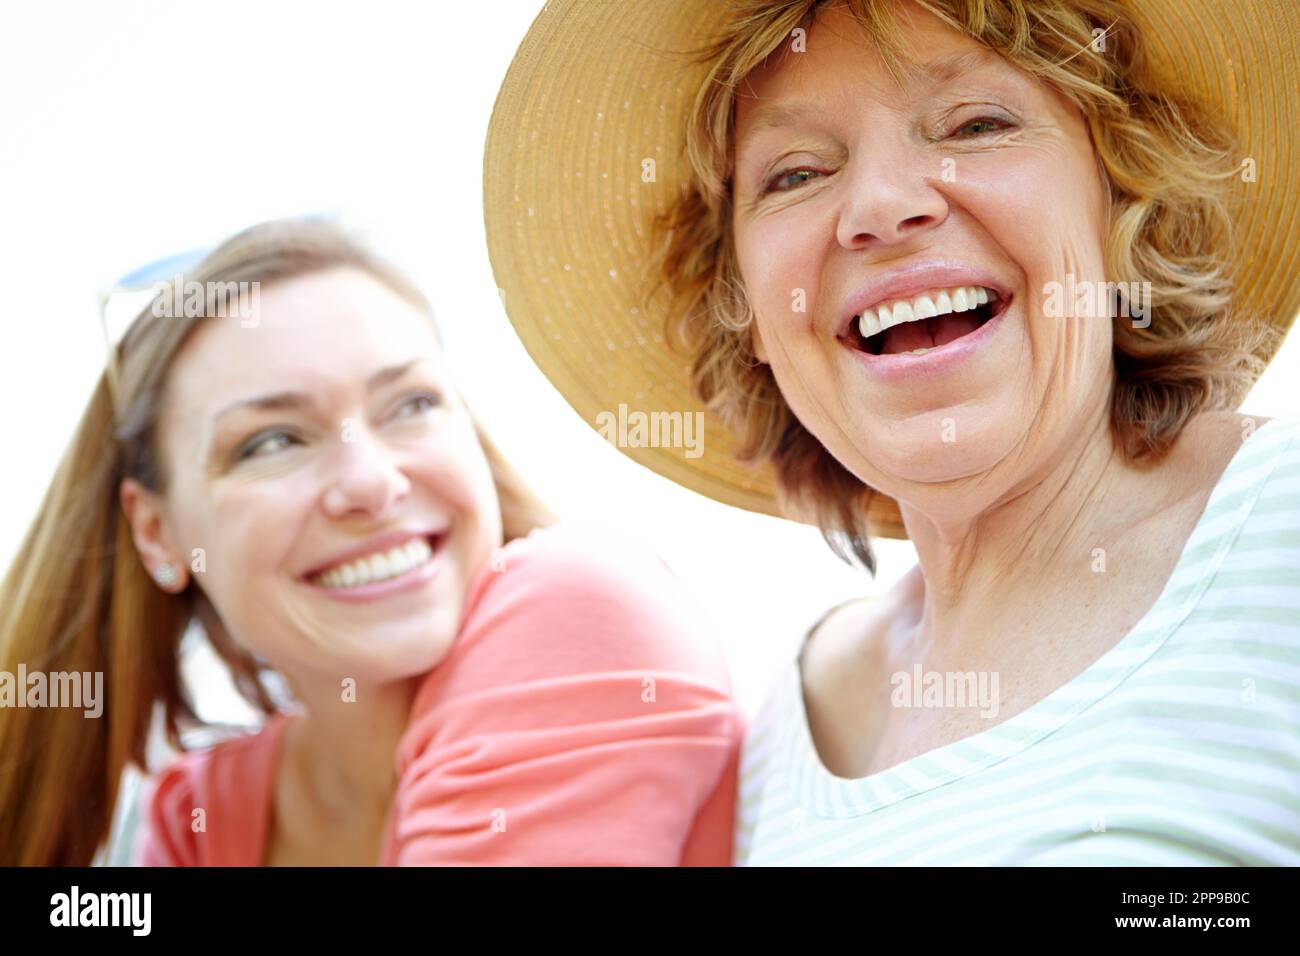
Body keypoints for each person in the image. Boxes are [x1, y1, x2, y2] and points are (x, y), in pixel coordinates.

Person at [482, 0, 1300, 864]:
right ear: (749, 313)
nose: (878, 206)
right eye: (794, 174)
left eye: (975, 123)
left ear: (1120, 197)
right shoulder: (781, 731)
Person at [0, 218, 743, 866]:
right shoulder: (199, 817)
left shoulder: (579, 612)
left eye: (412, 403)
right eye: (271, 442)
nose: (371, 482)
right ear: (157, 535)